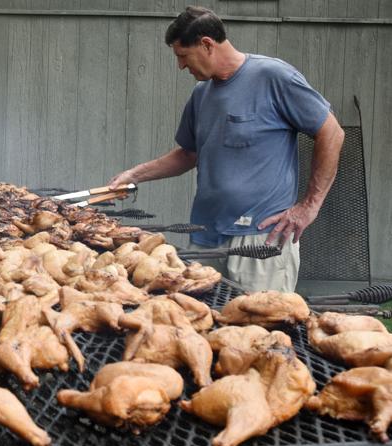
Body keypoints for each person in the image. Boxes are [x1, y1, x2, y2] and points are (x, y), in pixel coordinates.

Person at [108, 6, 344, 293]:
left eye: (183, 56)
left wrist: (309, 206)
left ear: (206, 44)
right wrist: (134, 175)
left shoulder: (273, 77)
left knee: (262, 335)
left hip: (260, 240)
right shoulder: (201, 94)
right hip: (205, 237)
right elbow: (188, 154)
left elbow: (331, 132)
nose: (181, 66)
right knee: (205, 329)